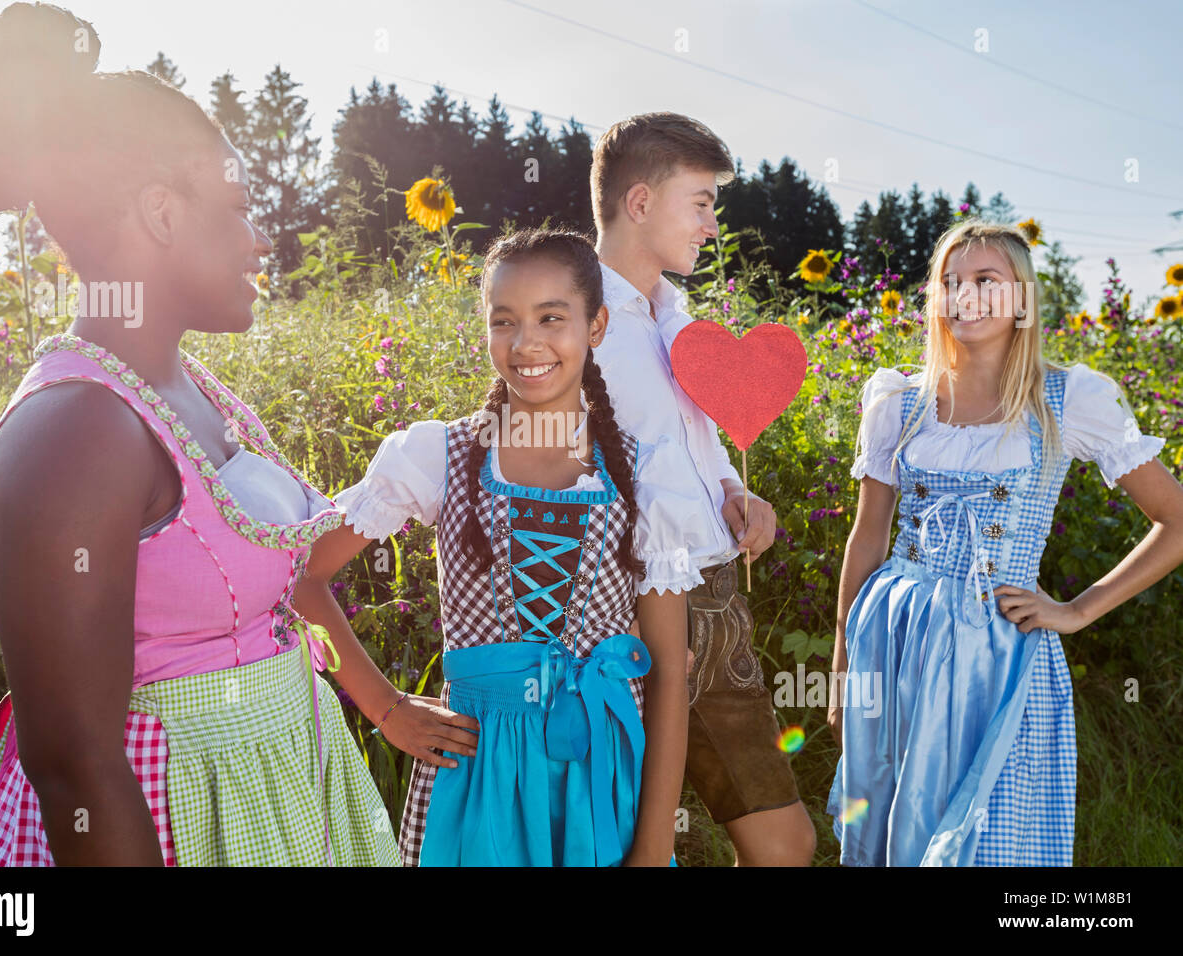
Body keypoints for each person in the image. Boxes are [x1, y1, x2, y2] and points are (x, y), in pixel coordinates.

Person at [0, 2, 403, 865]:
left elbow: (284, 579)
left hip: (274, 807)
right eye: (236, 207)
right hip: (178, 829)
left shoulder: (192, 392)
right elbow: (75, 766)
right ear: (159, 211)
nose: (262, 239)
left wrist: (384, 702)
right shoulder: (75, 434)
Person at [293, 228, 693, 866]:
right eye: (503, 321)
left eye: (551, 318)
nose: (526, 343)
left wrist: (653, 846)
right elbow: (298, 580)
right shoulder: (437, 457)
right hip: (476, 782)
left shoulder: (650, 474)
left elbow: (671, 672)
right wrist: (386, 710)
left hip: (599, 782)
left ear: (596, 326)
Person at [827, 219, 1183, 866]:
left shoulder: (1065, 400)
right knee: (896, 827)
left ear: (1022, 297)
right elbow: (868, 536)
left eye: (986, 280)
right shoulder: (898, 401)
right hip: (898, 641)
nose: (965, 294)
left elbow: (1176, 520)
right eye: (950, 281)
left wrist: (1076, 611)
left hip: (999, 656)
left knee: (991, 837)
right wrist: (843, 666)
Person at [589, 112, 816, 865]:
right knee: (625, 845)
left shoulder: (678, 321)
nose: (713, 225)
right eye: (702, 201)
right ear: (642, 202)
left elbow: (691, 439)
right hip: (621, 618)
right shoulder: (572, 320)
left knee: (786, 843)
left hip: (716, 604)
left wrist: (733, 491)